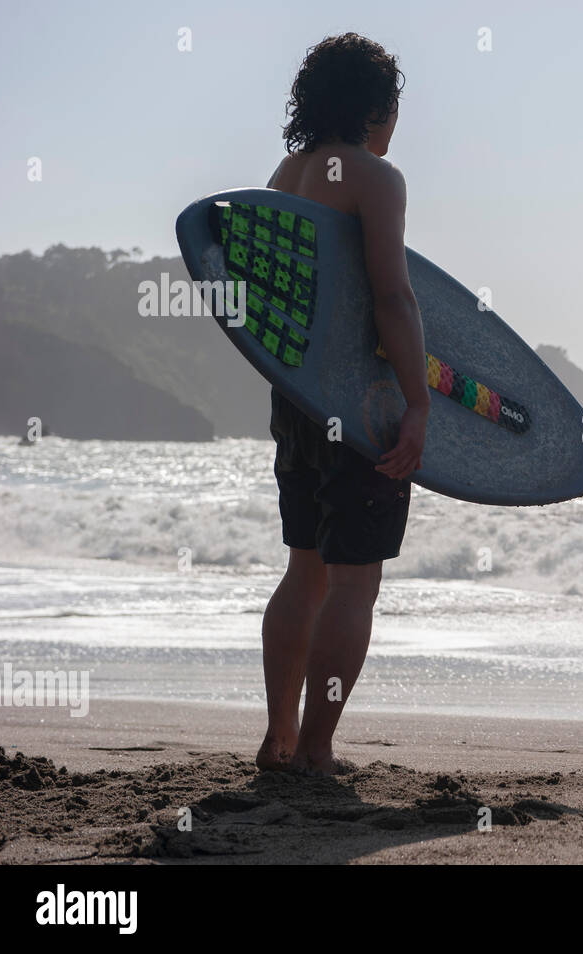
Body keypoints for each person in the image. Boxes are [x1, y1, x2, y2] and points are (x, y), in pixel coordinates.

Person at [256, 33, 429, 775]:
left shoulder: (285, 173)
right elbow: (391, 295)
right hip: (356, 404)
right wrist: (418, 402)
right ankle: (319, 750)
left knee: (306, 569)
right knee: (355, 577)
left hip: (296, 396)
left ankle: (279, 737)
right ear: (376, 108)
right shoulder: (373, 178)